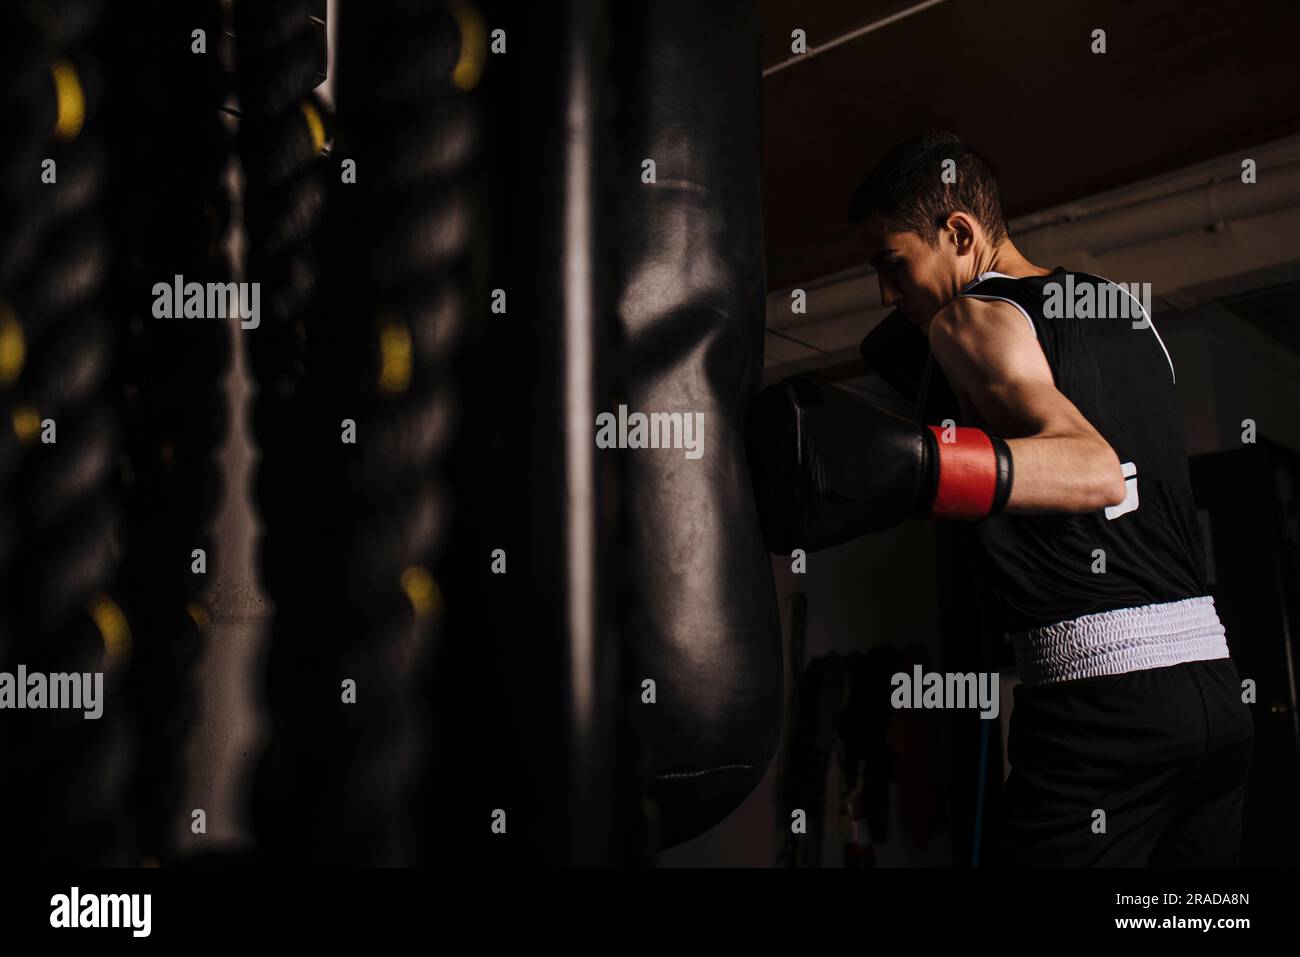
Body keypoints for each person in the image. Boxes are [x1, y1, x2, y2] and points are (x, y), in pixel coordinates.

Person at [834, 130, 1254, 866]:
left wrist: (921, 470)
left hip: (1103, 704)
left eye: (892, 263)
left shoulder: (965, 321)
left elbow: (1092, 468)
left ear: (958, 232)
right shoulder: (1121, 310)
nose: (885, 292)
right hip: (1214, 695)